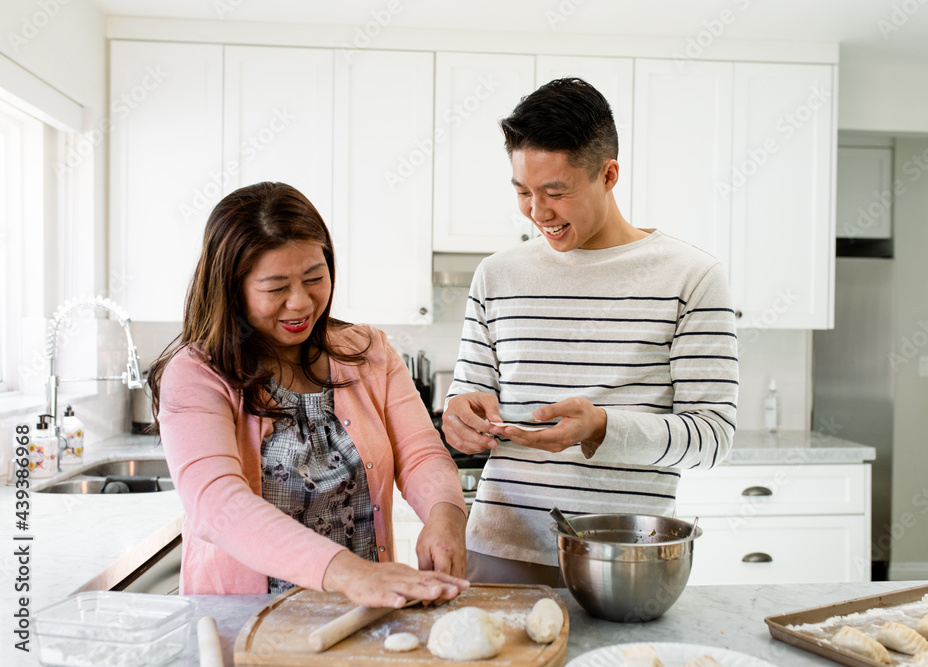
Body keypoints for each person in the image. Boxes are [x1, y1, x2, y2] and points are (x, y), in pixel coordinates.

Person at [442, 78, 740, 585]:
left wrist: (603, 427)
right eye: (523, 192)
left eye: (556, 192)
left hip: (624, 558)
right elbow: (467, 397)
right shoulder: (496, 275)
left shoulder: (691, 277)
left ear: (608, 174)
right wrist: (459, 418)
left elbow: (712, 436)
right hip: (500, 546)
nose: (538, 213)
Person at [149, 182, 469, 607]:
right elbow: (218, 504)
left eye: (315, 278)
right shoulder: (197, 375)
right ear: (231, 288)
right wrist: (348, 573)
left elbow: (420, 452)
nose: (300, 303)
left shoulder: (367, 352)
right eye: (276, 288)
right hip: (245, 625)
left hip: (359, 615)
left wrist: (445, 513)